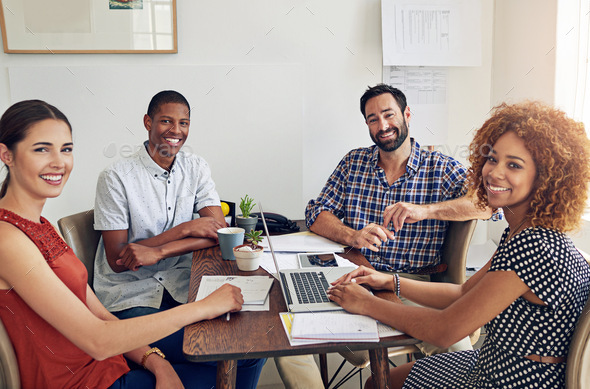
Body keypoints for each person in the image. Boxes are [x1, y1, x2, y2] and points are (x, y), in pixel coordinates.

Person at [328, 101, 590, 389]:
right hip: (492, 361)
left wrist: (367, 303)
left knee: (379, 384)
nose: (494, 173)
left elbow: (443, 331)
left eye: (513, 165)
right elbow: (464, 291)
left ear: (546, 178)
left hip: (512, 379)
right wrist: (389, 281)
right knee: (382, 381)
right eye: (492, 159)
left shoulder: (534, 247)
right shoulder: (525, 234)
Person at [0, 99, 258, 388]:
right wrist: (205, 307)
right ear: (6, 155)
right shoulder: (7, 239)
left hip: (108, 365)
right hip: (83, 380)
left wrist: (158, 364)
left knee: (246, 351)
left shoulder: (40, 227)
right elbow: (97, 339)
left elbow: (101, 316)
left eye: (66, 149)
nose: (59, 162)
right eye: (41, 149)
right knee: (244, 353)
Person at [304, 84, 494, 358]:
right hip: (355, 274)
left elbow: (485, 204)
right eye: (373, 119)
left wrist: (424, 211)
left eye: (388, 114)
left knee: (458, 352)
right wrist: (352, 235)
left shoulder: (440, 167)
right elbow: (316, 212)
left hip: (410, 285)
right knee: (286, 322)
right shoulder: (353, 162)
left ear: (406, 114)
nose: (382, 125)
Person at [92, 90, 264, 384]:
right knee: (234, 350)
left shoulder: (195, 167)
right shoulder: (116, 176)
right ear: (148, 122)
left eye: (184, 123)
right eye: (166, 121)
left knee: (249, 344)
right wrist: (185, 229)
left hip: (183, 287)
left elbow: (220, 233)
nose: (176, 131)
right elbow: (119, 260)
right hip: (130, 298)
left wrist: (159, 251)